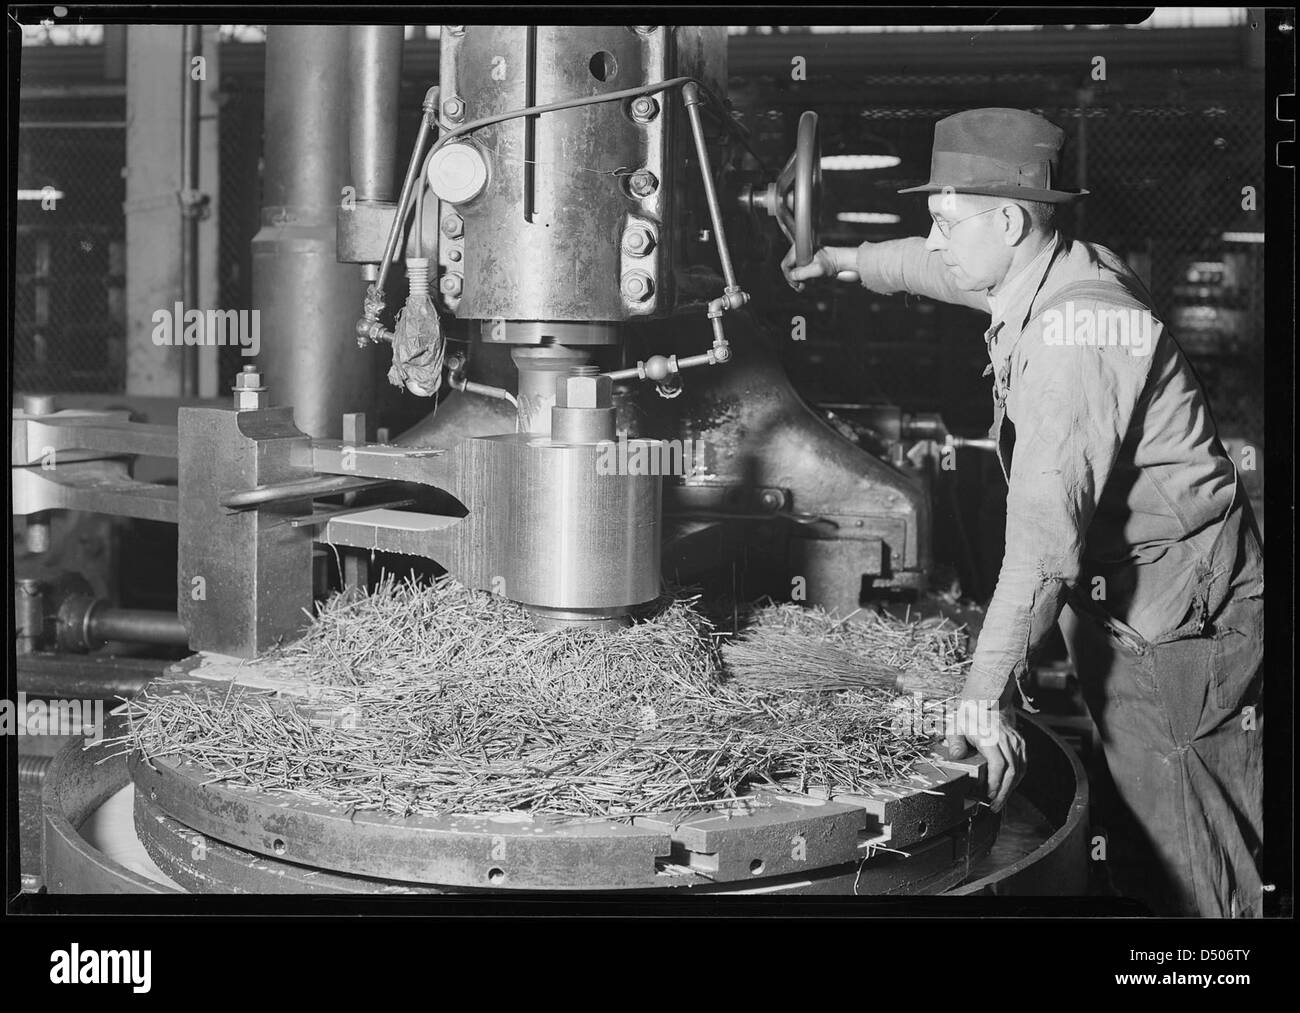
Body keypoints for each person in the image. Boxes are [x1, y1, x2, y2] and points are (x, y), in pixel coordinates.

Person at [784, 108, 1264, 917]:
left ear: (1006, 220)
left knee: (1196, 863)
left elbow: (1042, 547)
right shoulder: (1042, 268)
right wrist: (841, 260)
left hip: (1178, 628)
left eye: (943, 221)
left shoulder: (1075, 340)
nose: (932, 239)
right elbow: (941, 269)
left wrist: (983, 691)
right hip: (1137, 606)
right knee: (1148, 828)